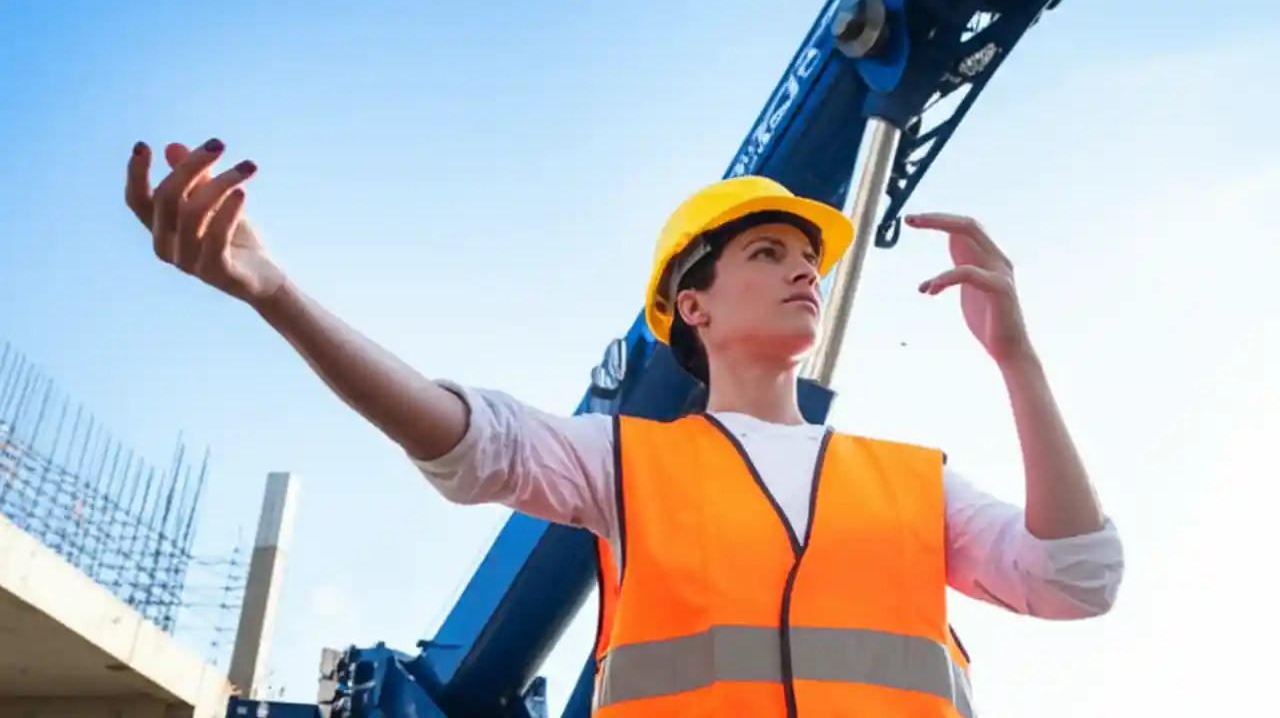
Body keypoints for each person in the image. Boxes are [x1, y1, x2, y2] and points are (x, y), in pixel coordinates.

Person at [125, 138, 1123, 717]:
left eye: (806, 260)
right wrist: (275, 292)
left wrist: (1015, 358)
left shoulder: (911, 482)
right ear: (690, 307)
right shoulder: (624, 464)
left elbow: (1077, 580)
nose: (802, 271)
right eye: (769, 252)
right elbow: (461, 435)